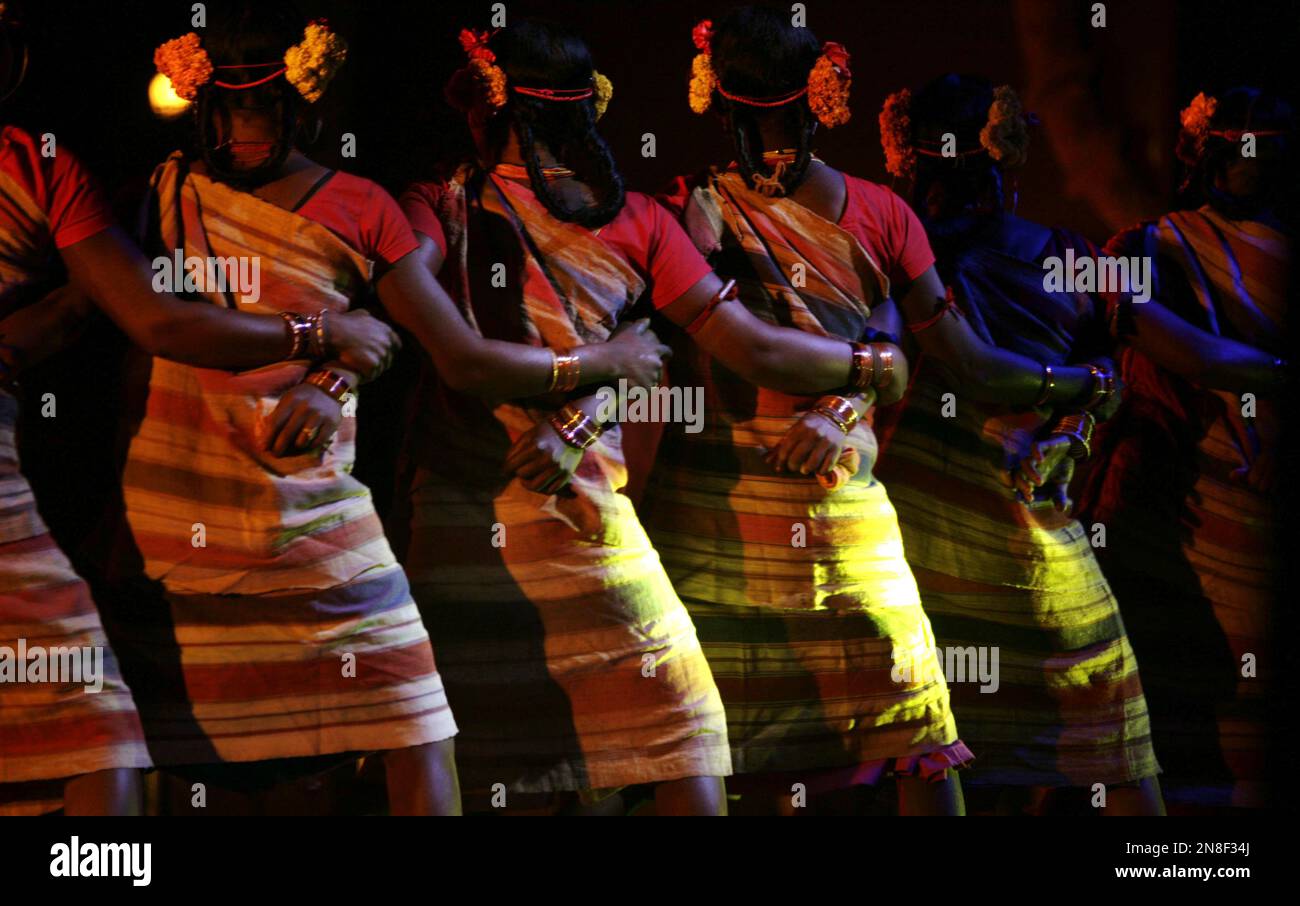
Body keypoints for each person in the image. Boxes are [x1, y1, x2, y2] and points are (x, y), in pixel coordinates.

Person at [0, 1, 398, 815]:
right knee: (108, 726)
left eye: (264, 105)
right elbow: (125, 314)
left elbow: (402, 335)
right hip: (171, 505)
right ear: (203, 107)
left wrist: (332, 378)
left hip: (305, 508)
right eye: (232, 105)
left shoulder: (362, 202)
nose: (246, 126)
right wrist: (319, 335)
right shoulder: (151, 193)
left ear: (302, 107)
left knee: (404, 712)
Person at [639, 7, 970, 815]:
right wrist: (871, 371)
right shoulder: (689, 208)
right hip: (719, 515)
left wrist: (1065, 387)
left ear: (818, 105)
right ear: (720, 113)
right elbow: (706, 345)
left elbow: (940, 346)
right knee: (733, 743)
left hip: (841, 511)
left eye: (781, 120)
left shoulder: (885, 214)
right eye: (747, 122)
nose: (765, 143)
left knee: (914, 726)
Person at [871, 73, 1164, 814]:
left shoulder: (898, 261)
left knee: (932, 746)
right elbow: (1112, 374)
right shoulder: (1064, 251)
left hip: (923, 537)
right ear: (1003, 152)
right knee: (1110, 730)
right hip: (1036, 514)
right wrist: (1075, 421)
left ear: (913, 161)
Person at [1079, 88, 1291, 810]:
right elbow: (1150, 336)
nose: (1254, 165)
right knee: (1161, 708)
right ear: (1207, 154)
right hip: (1175, 496)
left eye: (1270, 148)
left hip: (1256, 495)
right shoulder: (1154, 242)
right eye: (1240, 148)